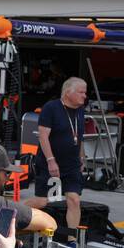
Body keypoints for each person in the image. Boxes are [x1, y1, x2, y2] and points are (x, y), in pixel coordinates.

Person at [32, 77, 87, 236]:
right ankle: (13, 210)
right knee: (44, 201)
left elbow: (79, 137)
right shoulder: (51, 108)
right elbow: (43, 136)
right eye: (81, 92)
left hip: (71, 165)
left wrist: (82, 157)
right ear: (68, 92)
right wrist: (51, 161)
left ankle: (72, 237)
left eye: (85, 92)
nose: (84, 96)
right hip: (50, 163)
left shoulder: (80, 110)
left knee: (74, 200)